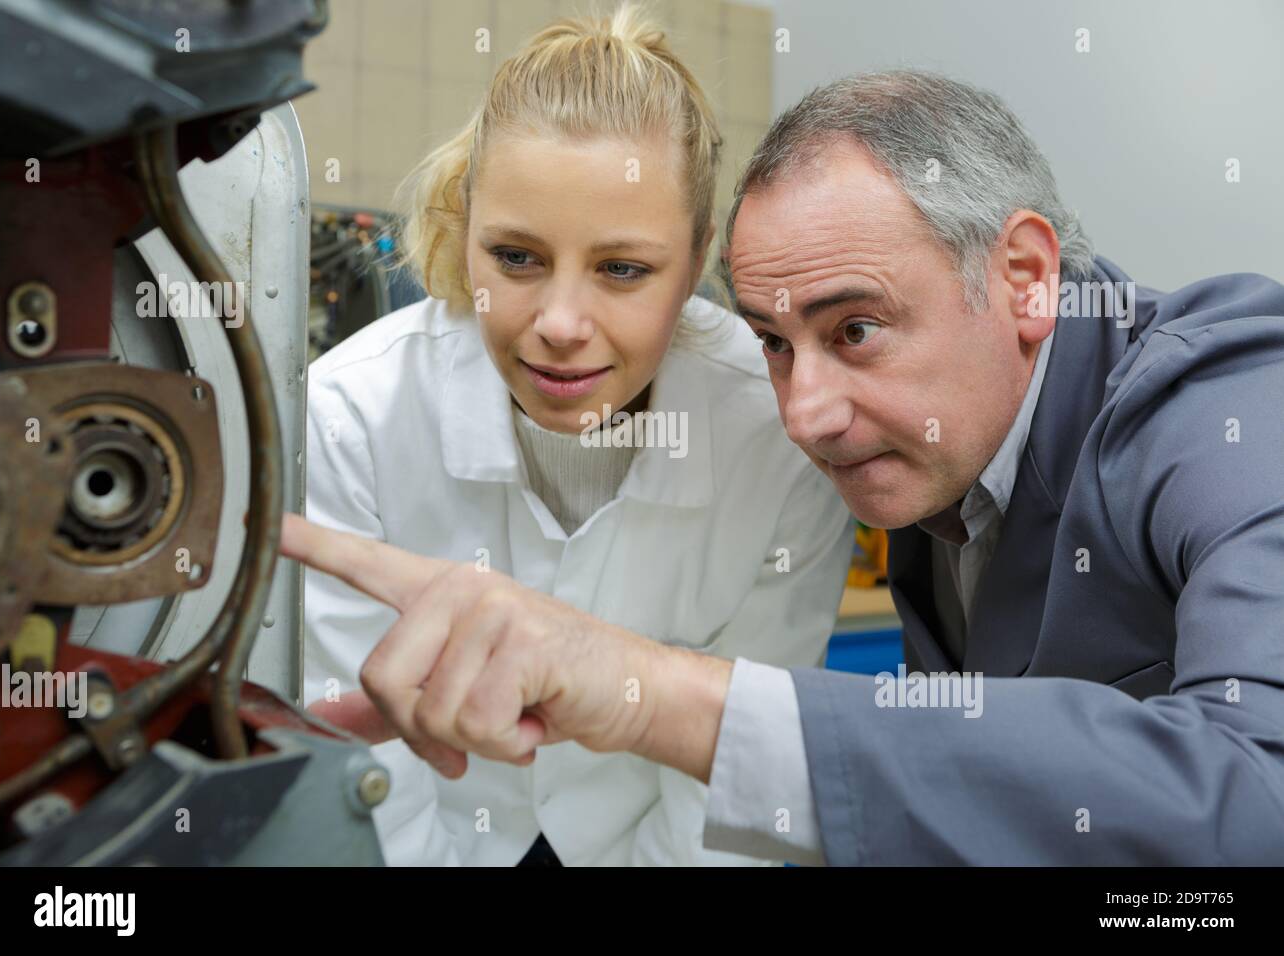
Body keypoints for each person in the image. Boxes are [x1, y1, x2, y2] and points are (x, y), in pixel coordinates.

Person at [285, 69, 1284, 865]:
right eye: (772, 339)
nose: (802, 416)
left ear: (1022, 277)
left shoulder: (1232, 406)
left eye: (855, 328)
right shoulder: (947, 476)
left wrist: (646, 685)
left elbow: (1255, 792)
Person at [300, 6, 854, 867]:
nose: (560, 324)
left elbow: (737, 761)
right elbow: (358, 769)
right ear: (467, 227)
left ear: (702, 254)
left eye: (622, 270)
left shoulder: (778, 430)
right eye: (515, 258)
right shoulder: (353, 414)